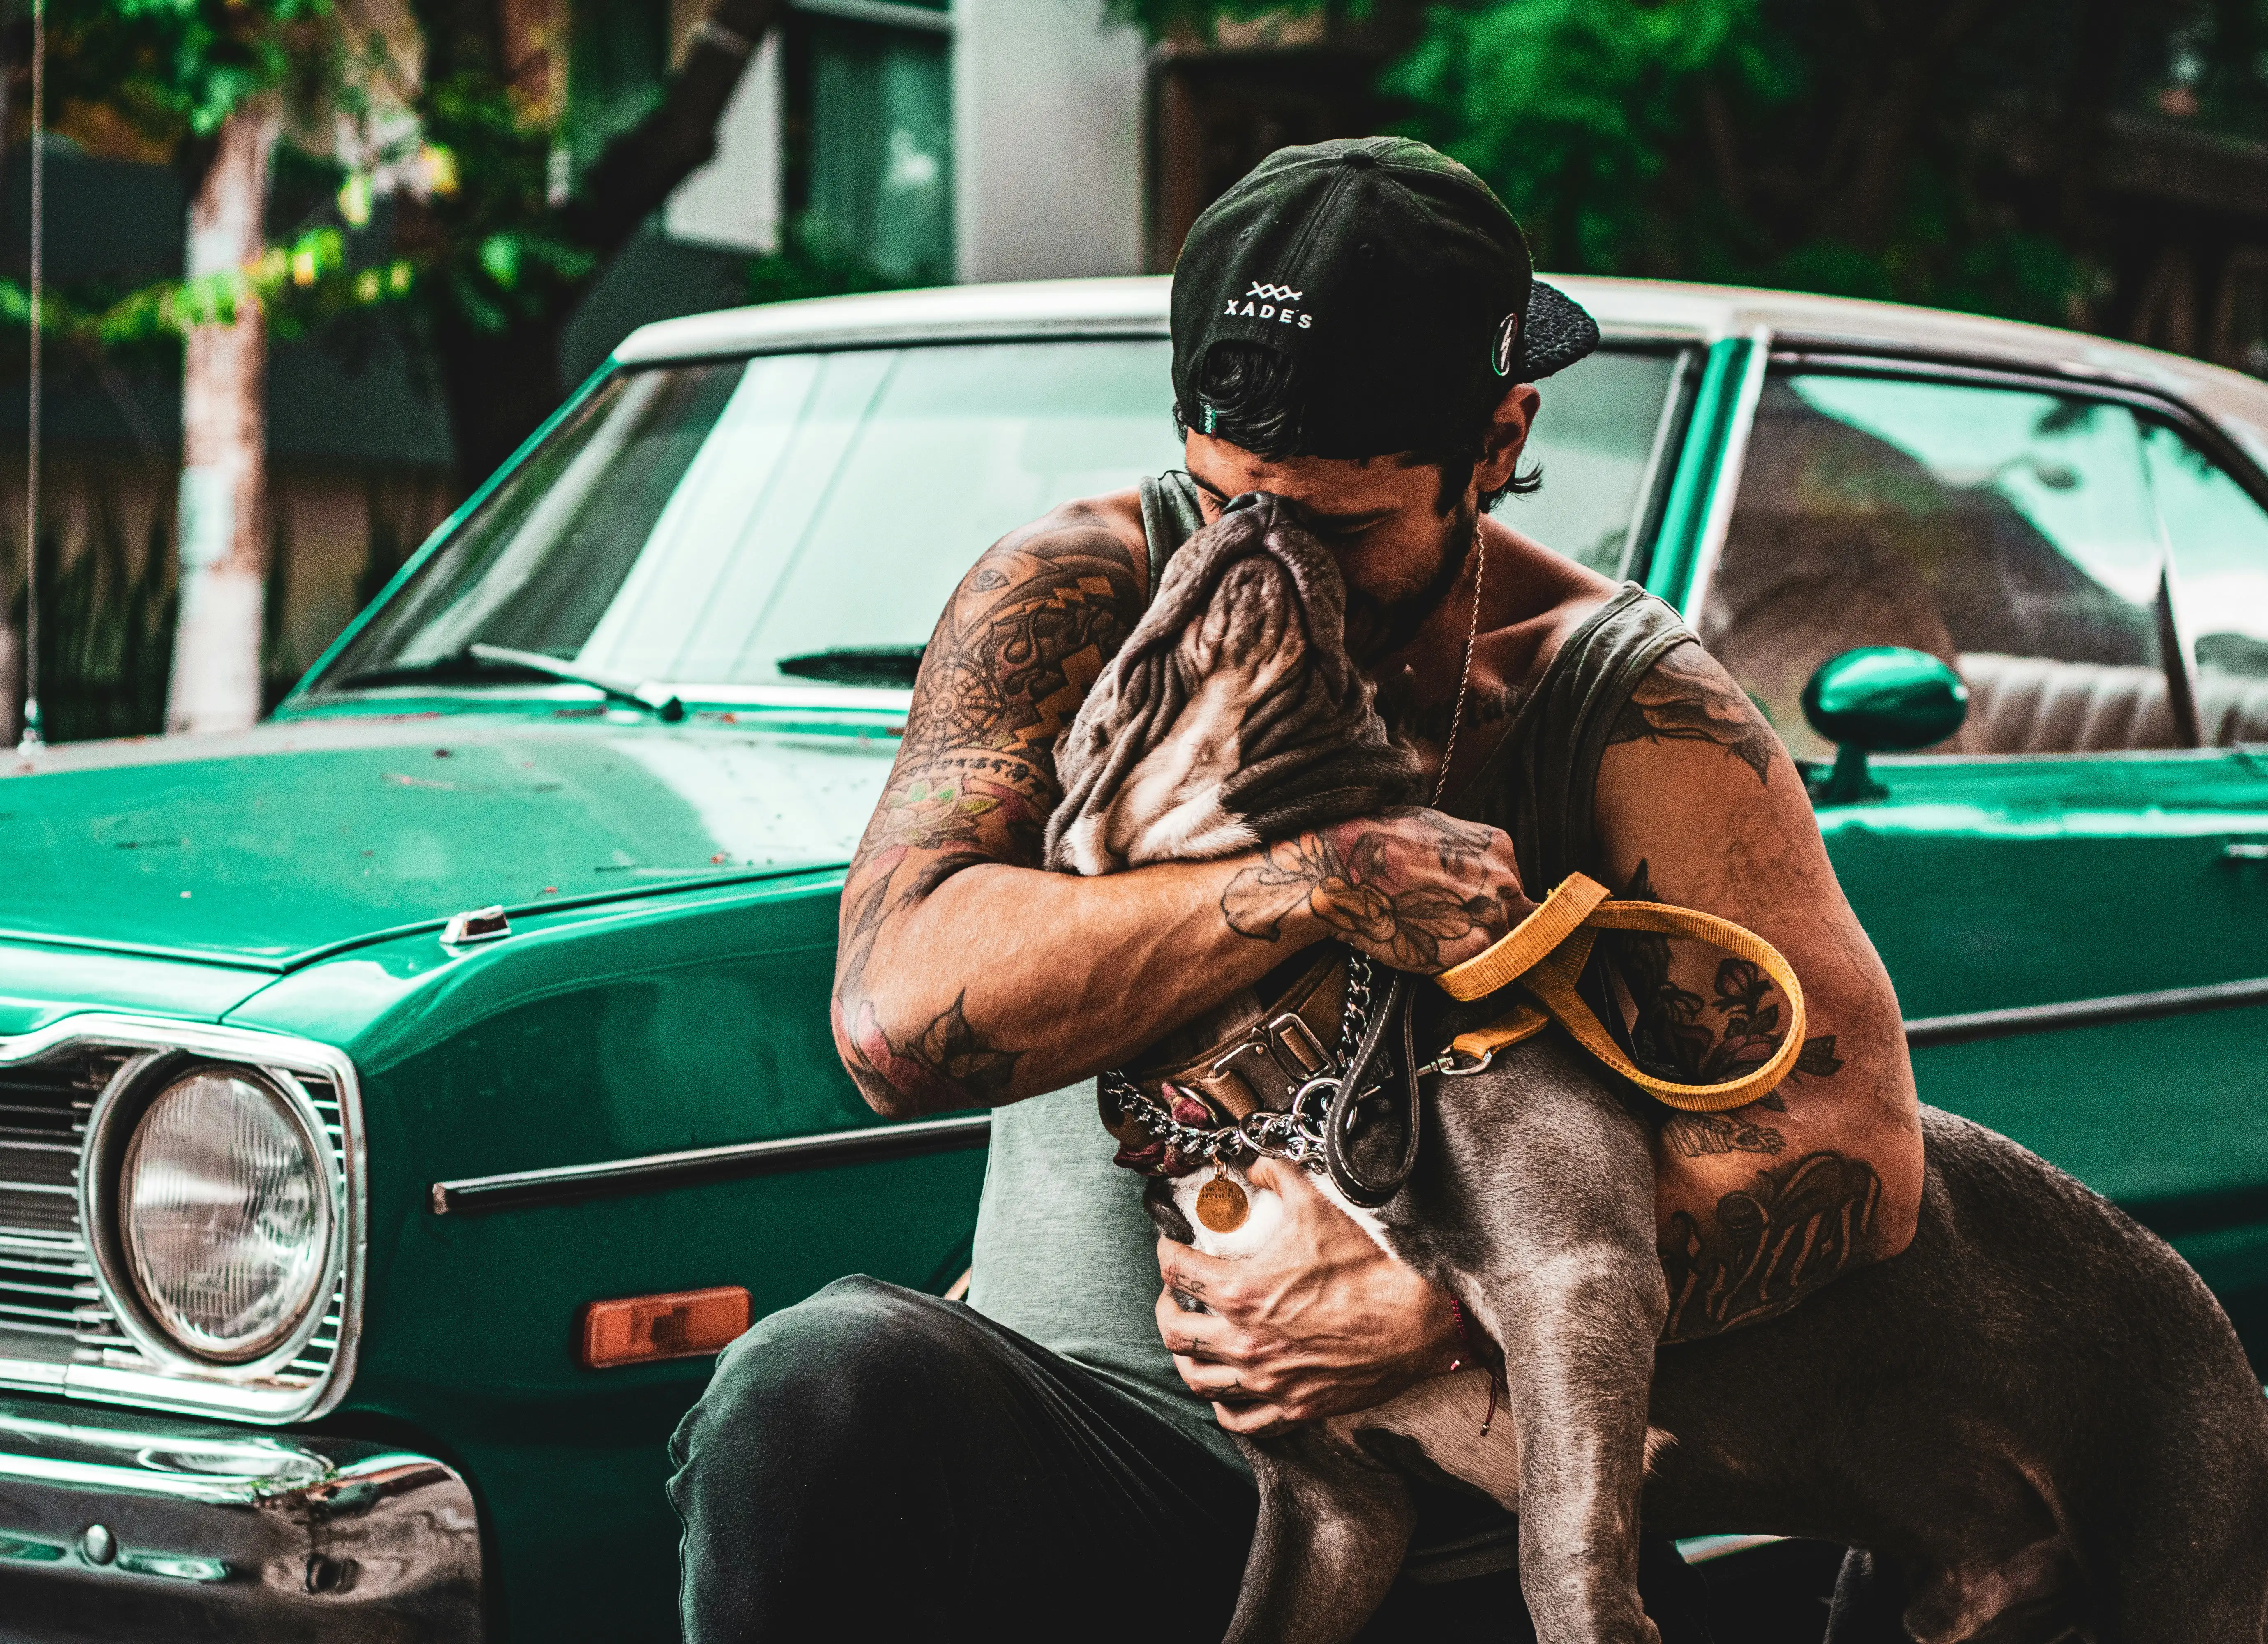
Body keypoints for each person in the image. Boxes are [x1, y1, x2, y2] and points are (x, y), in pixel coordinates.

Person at [668, 137, 1925, 1642]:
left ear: (1498, 436)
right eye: (1224, 500)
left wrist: (1438, 1317)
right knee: (817, 1387)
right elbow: (893, 1018)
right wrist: (1328, 879)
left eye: (1333, 528)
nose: (1261, 554)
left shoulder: (1623, 702)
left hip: (1452, 1515)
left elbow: (1860, 1156)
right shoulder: (1078, 593)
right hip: (1096, 1441)